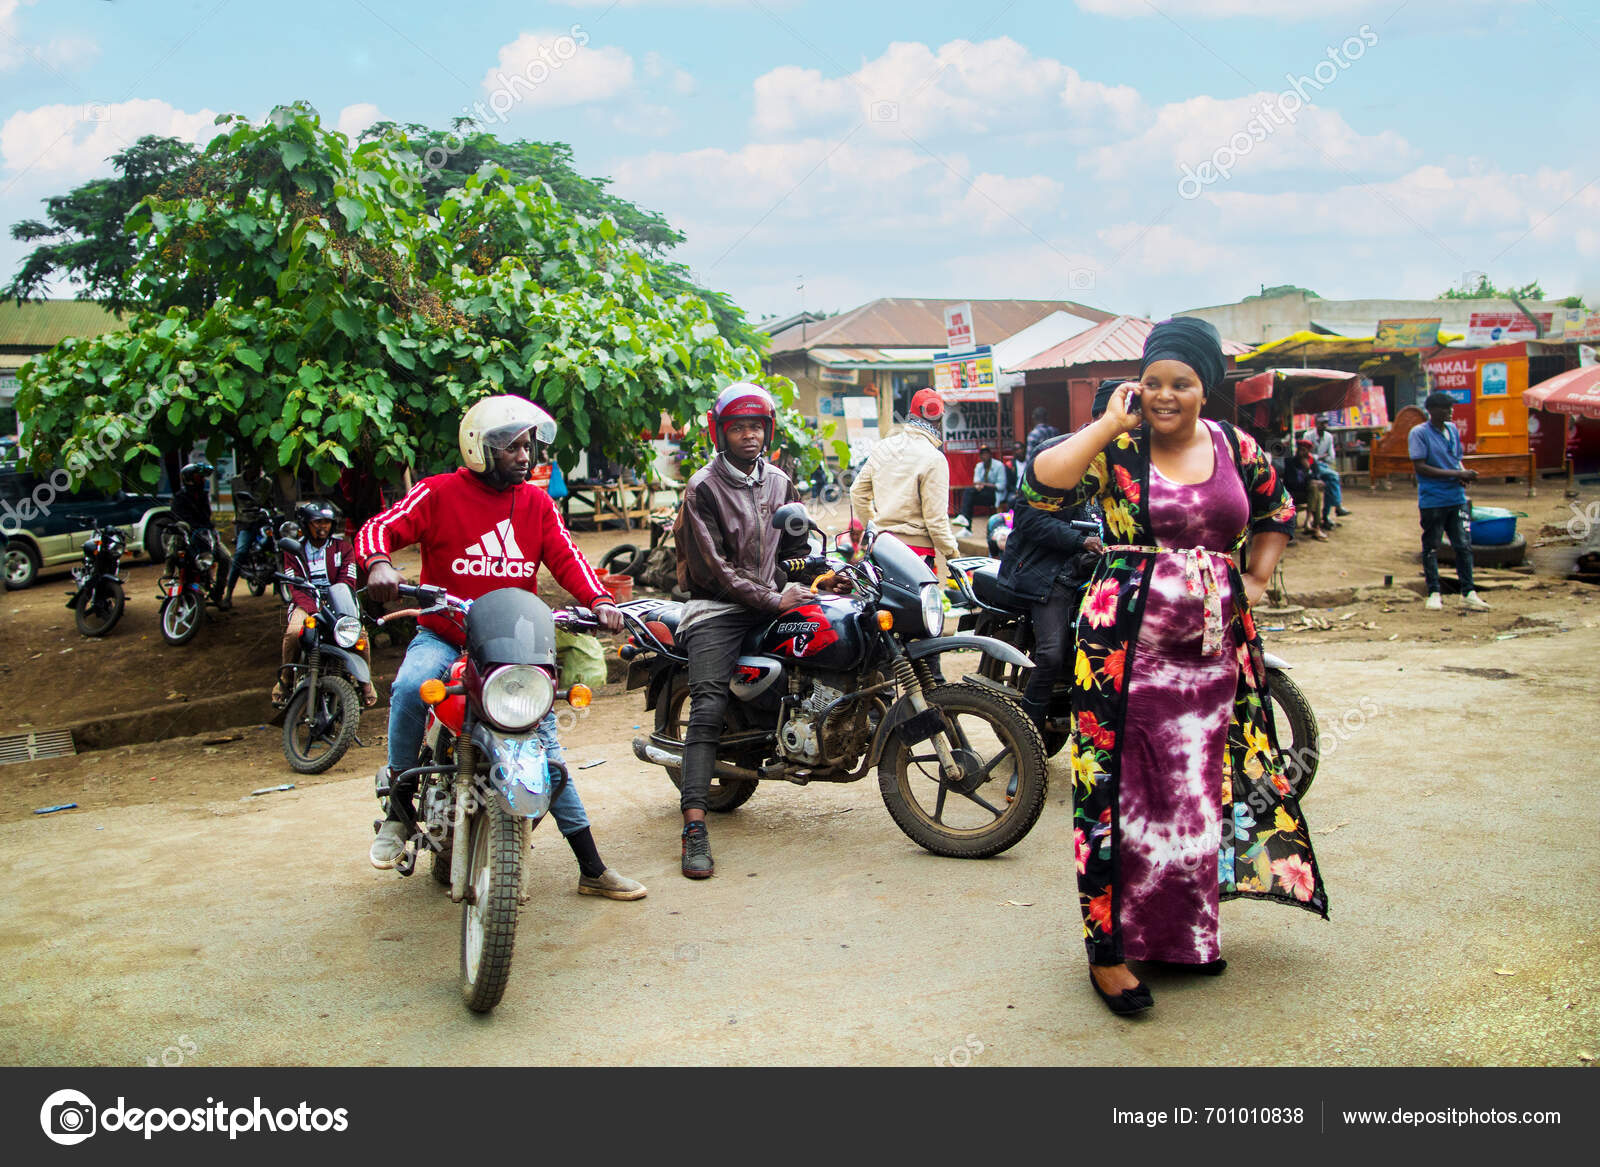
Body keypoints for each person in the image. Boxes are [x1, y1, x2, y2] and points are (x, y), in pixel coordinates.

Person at [1027, 316, 1327, 1017]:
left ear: (1206, 390)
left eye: (1181, 383)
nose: (1165, 395)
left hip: (1211, 657)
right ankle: (1107, 953)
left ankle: (1183, 934)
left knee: (1191, 797)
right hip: (1121, 656)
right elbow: (1042, 486)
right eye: (1154, 380)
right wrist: (1106, 424)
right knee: (1117, 799)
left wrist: (1255, 578)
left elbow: (1277, 507)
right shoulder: (1120, 448)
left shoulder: (1235, 446)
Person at [357, 394, 646, 901]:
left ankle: (592, 868)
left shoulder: (536, 503)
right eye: (512, 446)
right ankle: (399, 811)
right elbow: (379, 528)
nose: (525, 456)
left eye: (528, 446)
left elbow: (567, 556)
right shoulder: (437, 493)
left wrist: (600, 600)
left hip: (515, 648)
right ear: (479, 448)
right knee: (406, 688)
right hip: (444, 636)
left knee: (547, 753)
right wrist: (379, 561)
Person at [674, 383, 852, 879]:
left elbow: (795, 547)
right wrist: (775, 598)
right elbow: (715, 570)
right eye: (738, 427)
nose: (748, 435)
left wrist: (826, 571)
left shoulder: (779, 480)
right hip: (718, 608)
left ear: (768, 430)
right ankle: (693, 827)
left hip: (773, 597)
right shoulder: (702, 488)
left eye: (756, 426)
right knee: (707, 705)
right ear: (721, 433)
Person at [996, 382, 1113, 735]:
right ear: (1098, 419)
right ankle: (1026, 745)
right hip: (1050, 572)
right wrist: (1082, 541)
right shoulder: (1054, 454)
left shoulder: (1126, 458)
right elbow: (1030, 520)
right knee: (1051, 653)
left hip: (1099, 570)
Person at [274, 500, 376, 707]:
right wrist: (313, 610)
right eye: (317, 522)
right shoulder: (293, 551)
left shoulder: (344, 549)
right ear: (305, 524)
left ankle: (366, 681)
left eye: (327, 522)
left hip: (339, 604)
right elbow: (295, 587)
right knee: (294, 633)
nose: (323, 526)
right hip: (306, 604)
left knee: (360, 634)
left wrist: (334, 605)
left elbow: (347, 581)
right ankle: (285, 680)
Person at [848, 388, 961, 570]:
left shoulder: (883, 447)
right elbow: (936, 521)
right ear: (940, 419)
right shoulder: (935, 458)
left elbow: (857, 492)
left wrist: (875, 528)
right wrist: (952, 555)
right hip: (917, 554)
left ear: (910, 415)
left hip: (881, 548)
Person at [1410, 391, 1490, 612]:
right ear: (1432, 410)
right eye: (1445, 408)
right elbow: (1421, 467)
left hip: (1456, 497)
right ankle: (1434, 591)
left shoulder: (1452, 430)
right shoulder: (1419, 433)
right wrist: (1456, 475)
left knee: (1463, 546)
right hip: (1433, 499)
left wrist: (1463, 473)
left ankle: (1468, 592)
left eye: (1451, 407)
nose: (1450, 411)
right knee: (1431, 547)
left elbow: (1456, 459)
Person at [167, 460, 230, 608]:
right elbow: (177, 517)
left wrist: (210, 532)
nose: (202, 480)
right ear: (189, 478)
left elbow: (207, 517)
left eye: (202, 477)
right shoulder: (179, 497)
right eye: (198, 477)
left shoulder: (203, 496)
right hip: (186, 535)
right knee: (173, 548)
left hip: (204, 535)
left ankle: (218, 594)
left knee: (226, 558)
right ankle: (169, 573)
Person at [223, 464, 279, 609]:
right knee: (240, 552)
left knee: (279, 547)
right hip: (246, 522)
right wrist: (238, 518)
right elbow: (236, 503)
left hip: (263, 520)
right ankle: (228, 593)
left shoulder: (266, 482)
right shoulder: (236, 482)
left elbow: (268, 501)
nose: (257, 471)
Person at [1281, 438, 1329, 541]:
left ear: (1308, 452)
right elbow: (1292, 483)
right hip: (1293, 493)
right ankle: (1314, 526)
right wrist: (1307, 473)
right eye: (1300, 449)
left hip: (1308, 493)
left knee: (1315, 489)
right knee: (1315, 491)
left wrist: (1309, 471)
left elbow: (1317, 478)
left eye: (1304, 450)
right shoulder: (1290, 462)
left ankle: (1310, 522)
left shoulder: (1312, 462)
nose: (1301, 452)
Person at [1311, 416, 1352, 523]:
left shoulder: (1328, 437)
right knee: (1334, 476)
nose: (1323, 425)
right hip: (1312, 466)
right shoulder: (1308, 435)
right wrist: (1319, 457)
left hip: (1324, 465)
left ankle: (1325, 516)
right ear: (1316, 424)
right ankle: (1338, 506)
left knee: (1330, 483)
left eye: (1325, 423)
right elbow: (1307, 455)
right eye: (1321, 423)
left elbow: (1331, 456)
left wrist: (1321, 457)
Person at [956, 444, 1007, 526]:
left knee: (970, 493)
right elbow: (976, 482)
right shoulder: (979, 466)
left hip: (996, 494)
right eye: (982, 454)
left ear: (990, 455)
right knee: (969, 494)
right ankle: (966, 524)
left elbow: (1001, 486)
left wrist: (983, 484)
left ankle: (964, 517)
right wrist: (979, 486)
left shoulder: (999, 465)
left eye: (986, 453)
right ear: (980, 456)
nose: (985, 456)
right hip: (984, 492)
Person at [1024, 406, 1059, 474]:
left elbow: (1030, 457)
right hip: (1055, 467)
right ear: (1047, 417)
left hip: (1040, 469)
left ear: (1033, 417)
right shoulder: (1055, 431)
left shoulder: (1034, 434)